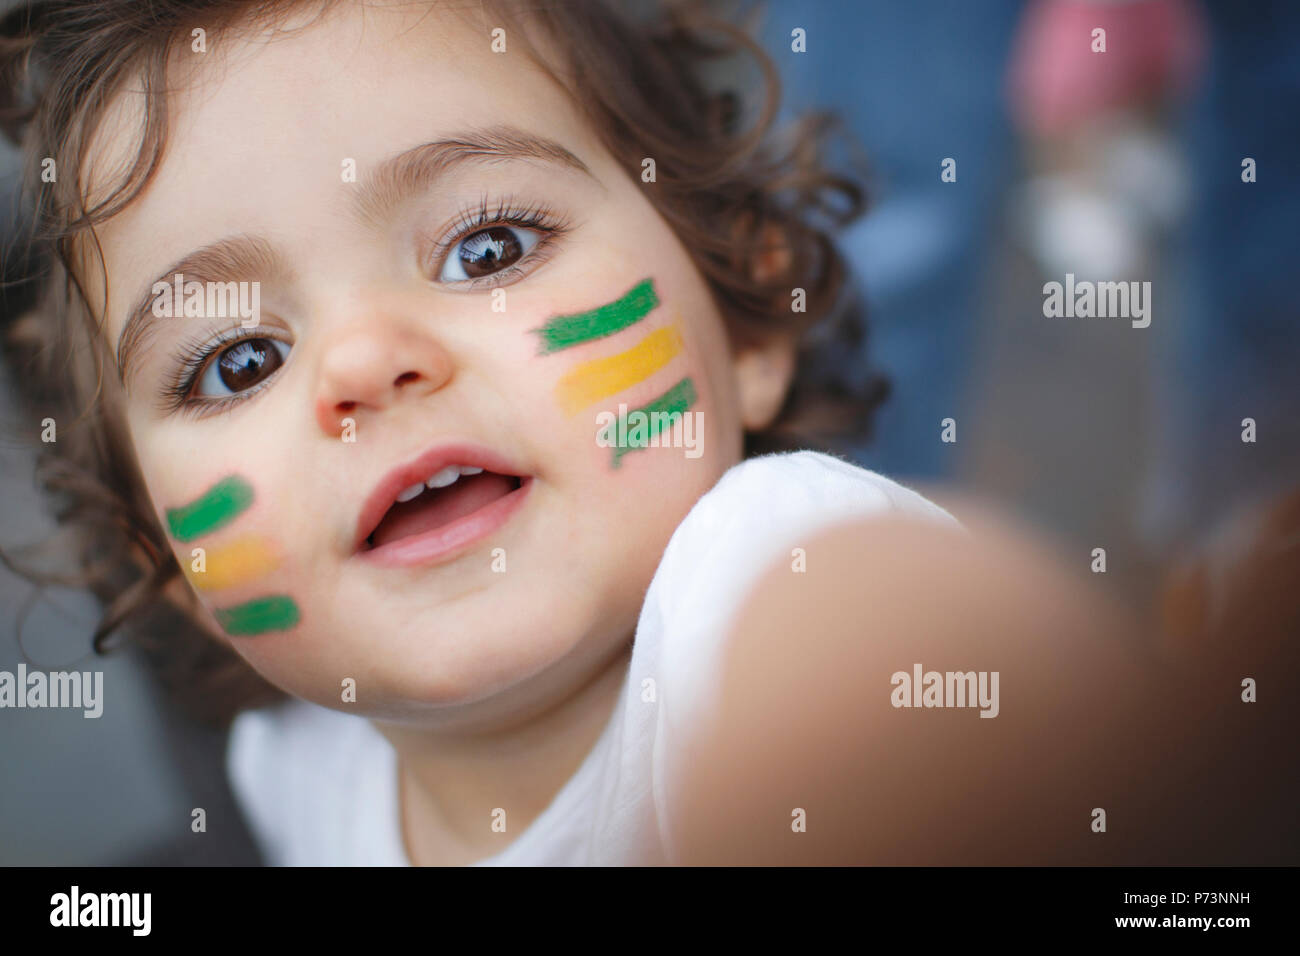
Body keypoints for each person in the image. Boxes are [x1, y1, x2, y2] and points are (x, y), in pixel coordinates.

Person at [0, 0, 1291, 866]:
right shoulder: (298, 772)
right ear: (164, 552)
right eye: (236, 361)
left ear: (748, 321)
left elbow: (896, 664)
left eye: (488, 244)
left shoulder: (774, 583)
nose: (361, 362)